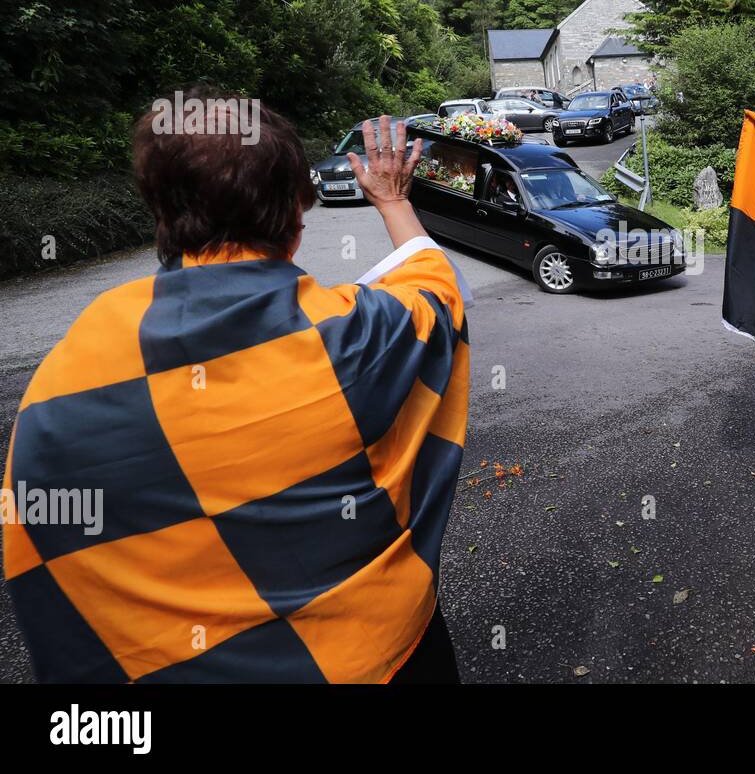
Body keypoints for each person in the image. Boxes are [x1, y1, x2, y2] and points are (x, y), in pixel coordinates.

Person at [3, 89, 469, 683]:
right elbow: (435, 290)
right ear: (297, 221)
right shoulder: (357, 337)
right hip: (372, 662)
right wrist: (392, 200)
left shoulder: (67, 373)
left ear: (158, 211)